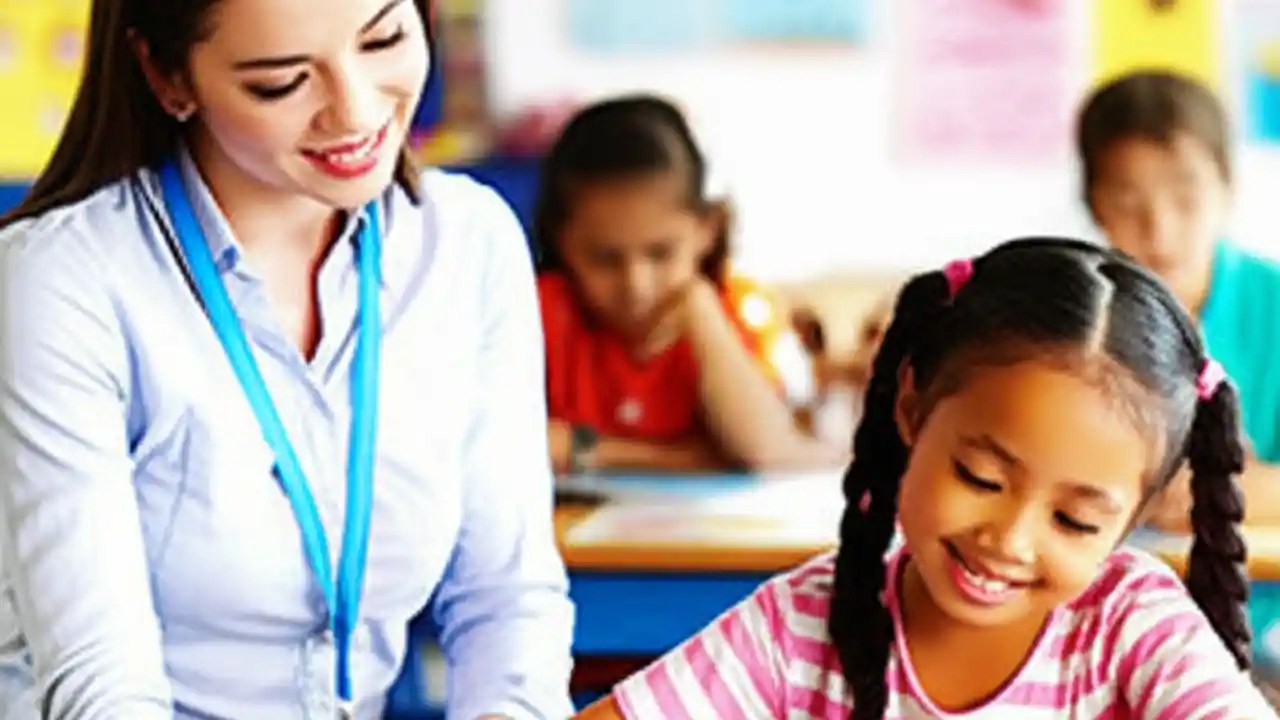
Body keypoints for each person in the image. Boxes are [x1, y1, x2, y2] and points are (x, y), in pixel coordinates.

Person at [0, 0, 573, 717]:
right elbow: (100, 678)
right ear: (168, 76)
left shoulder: (468, 242)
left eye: (385, 38)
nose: (356, 111)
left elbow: (506, 597)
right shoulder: (62, 277)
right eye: (282, 81)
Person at [576, 238, 1274, 719]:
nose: (1010, 539)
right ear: (913, 409)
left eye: (1075, 522)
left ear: (1130, 521)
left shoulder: (1129, 626)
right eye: (979, 476)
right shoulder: (802, 626)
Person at [535, 95, 838, 473]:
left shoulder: (737, 307)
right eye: (606, 259)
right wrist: (681, 458)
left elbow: (766, 451)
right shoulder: (539, 310)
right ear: (562, 240)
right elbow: (517, 446)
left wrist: (703, 316)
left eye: (660, 254)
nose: (636, 284)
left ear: (706, 231)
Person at [1079, 70, 1280, 529]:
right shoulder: (1071, 310)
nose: (1160, 230)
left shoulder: (1272, 302)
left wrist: (1221, 492)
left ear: (1226, 189)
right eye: (1130, 203)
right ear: (1094, 204)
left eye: (1186, 199)